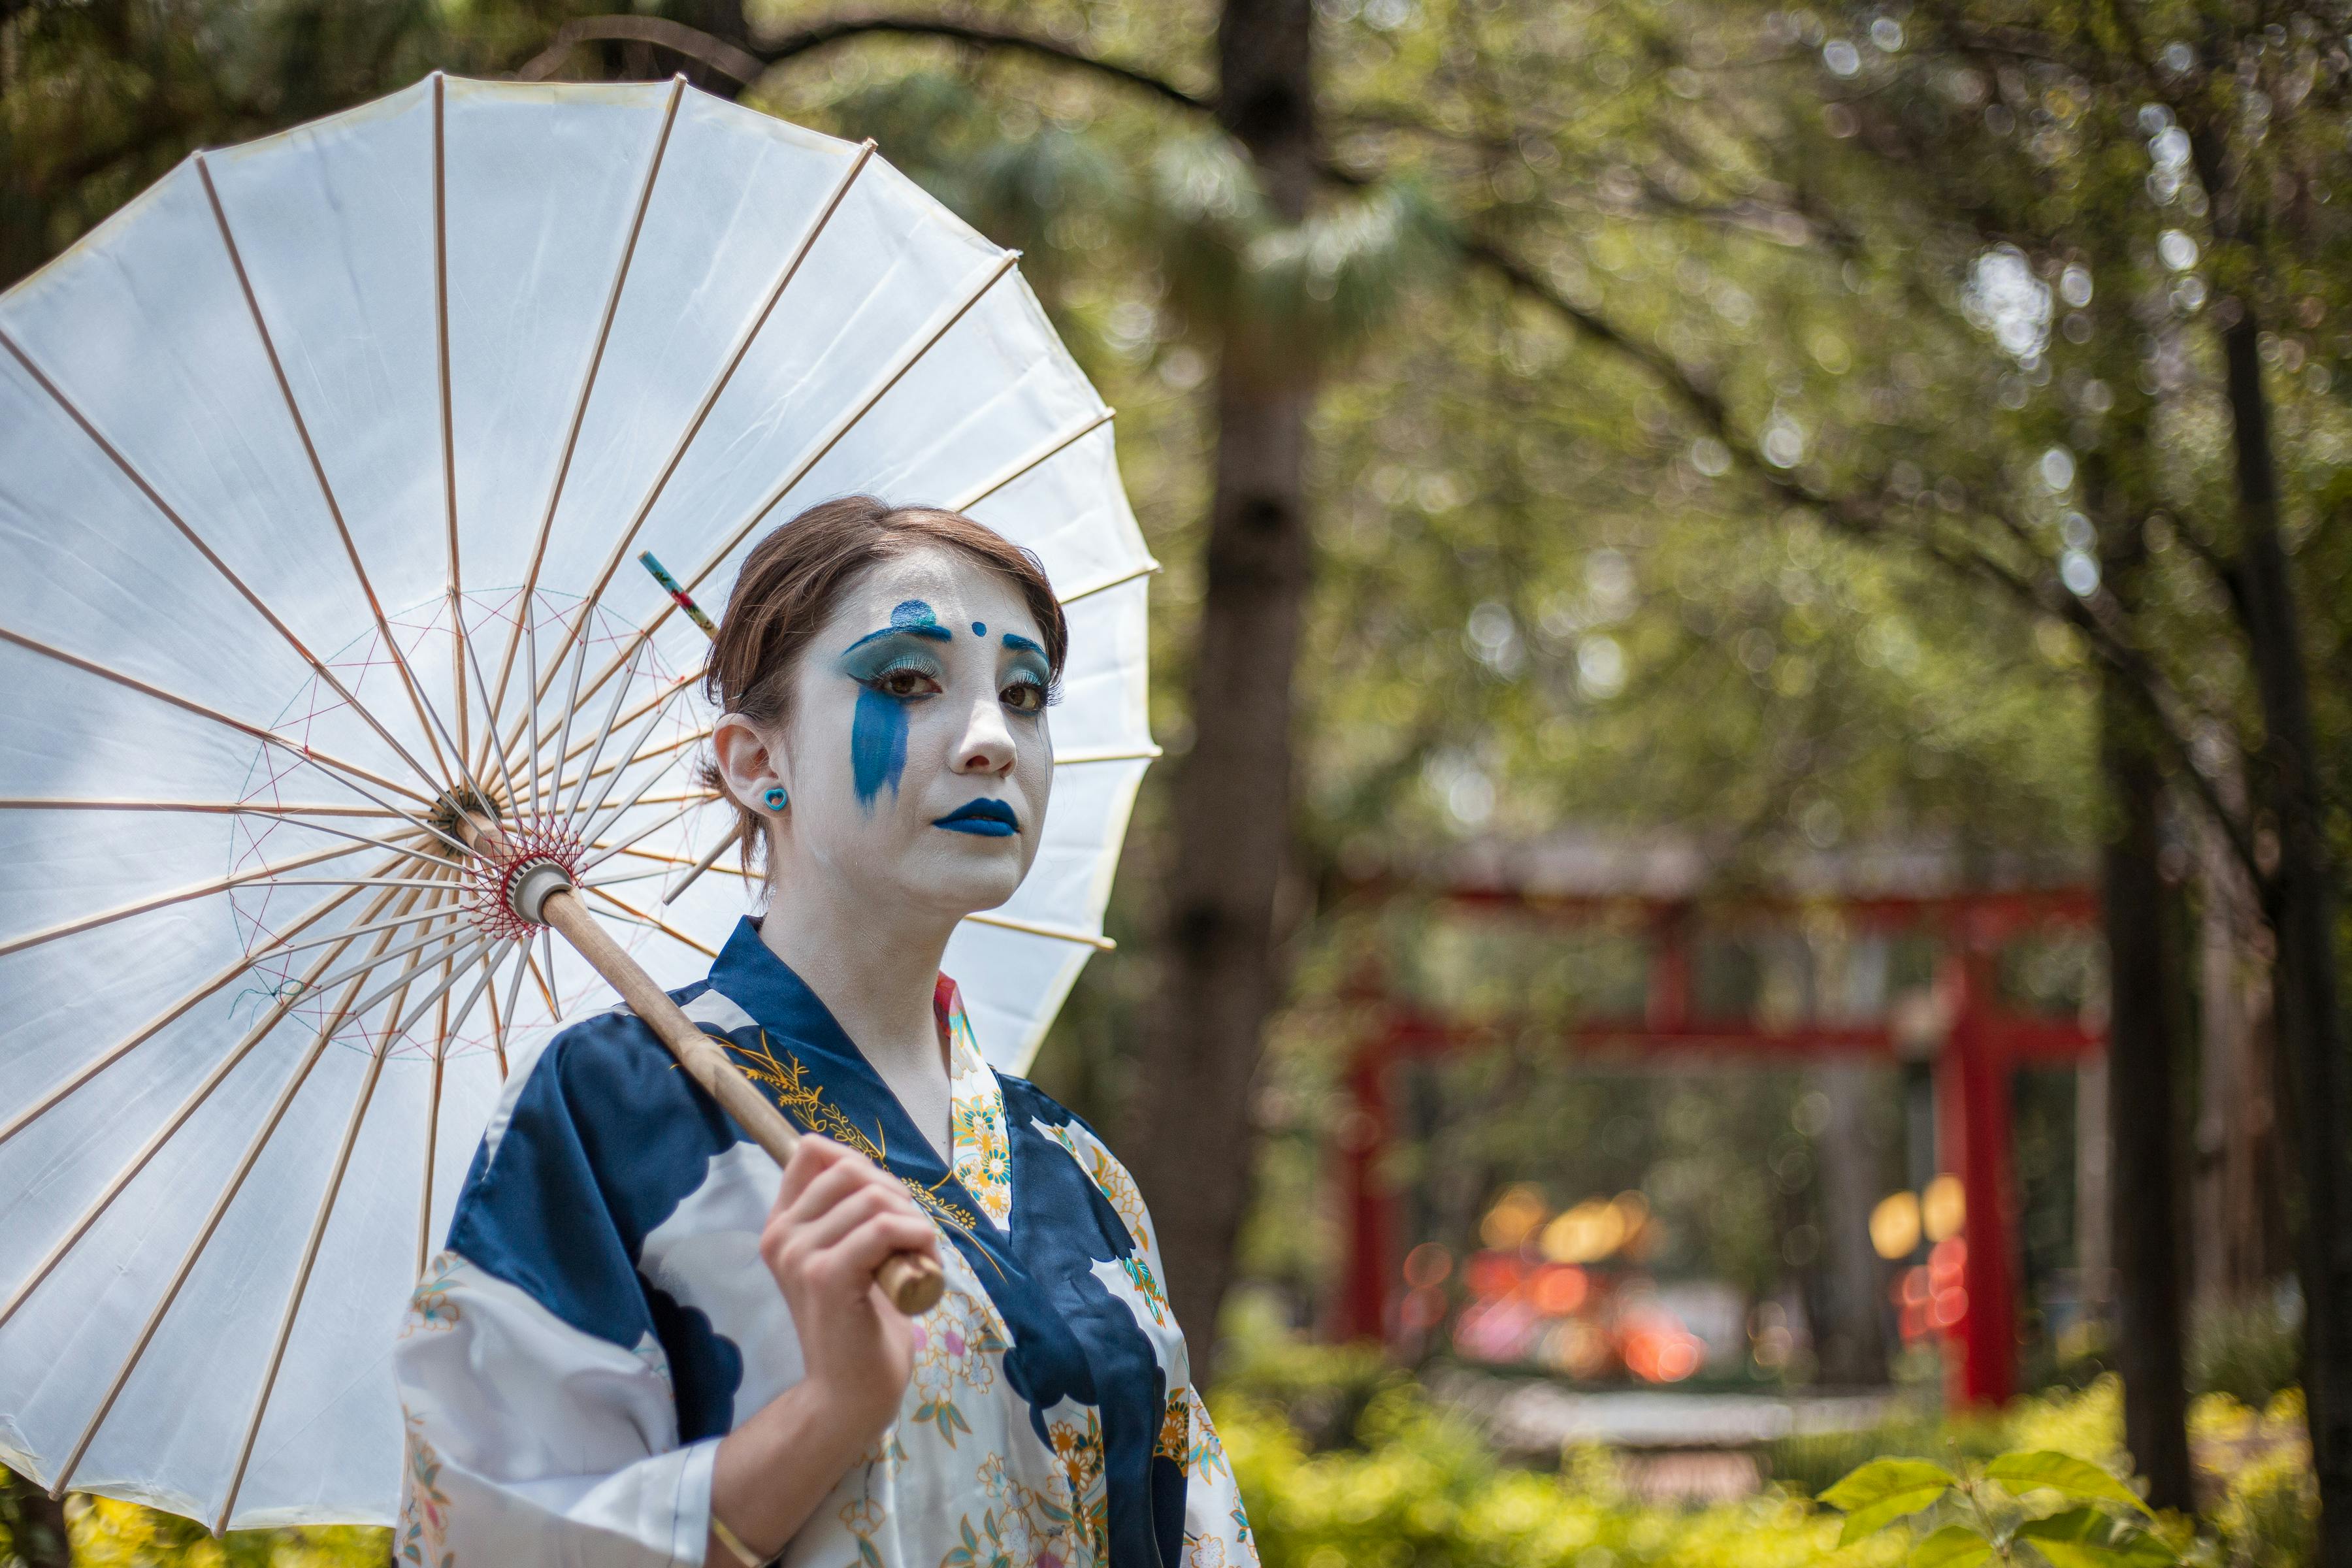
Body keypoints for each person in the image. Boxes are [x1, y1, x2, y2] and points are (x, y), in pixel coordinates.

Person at [391, 498, 1254, 1568]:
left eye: (1024, 696)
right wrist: (835, 1408)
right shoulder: (616, 1110)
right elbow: (484, 1542)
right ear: (759, 762)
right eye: (906, 681)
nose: (993, 740)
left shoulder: (1080, 1174)